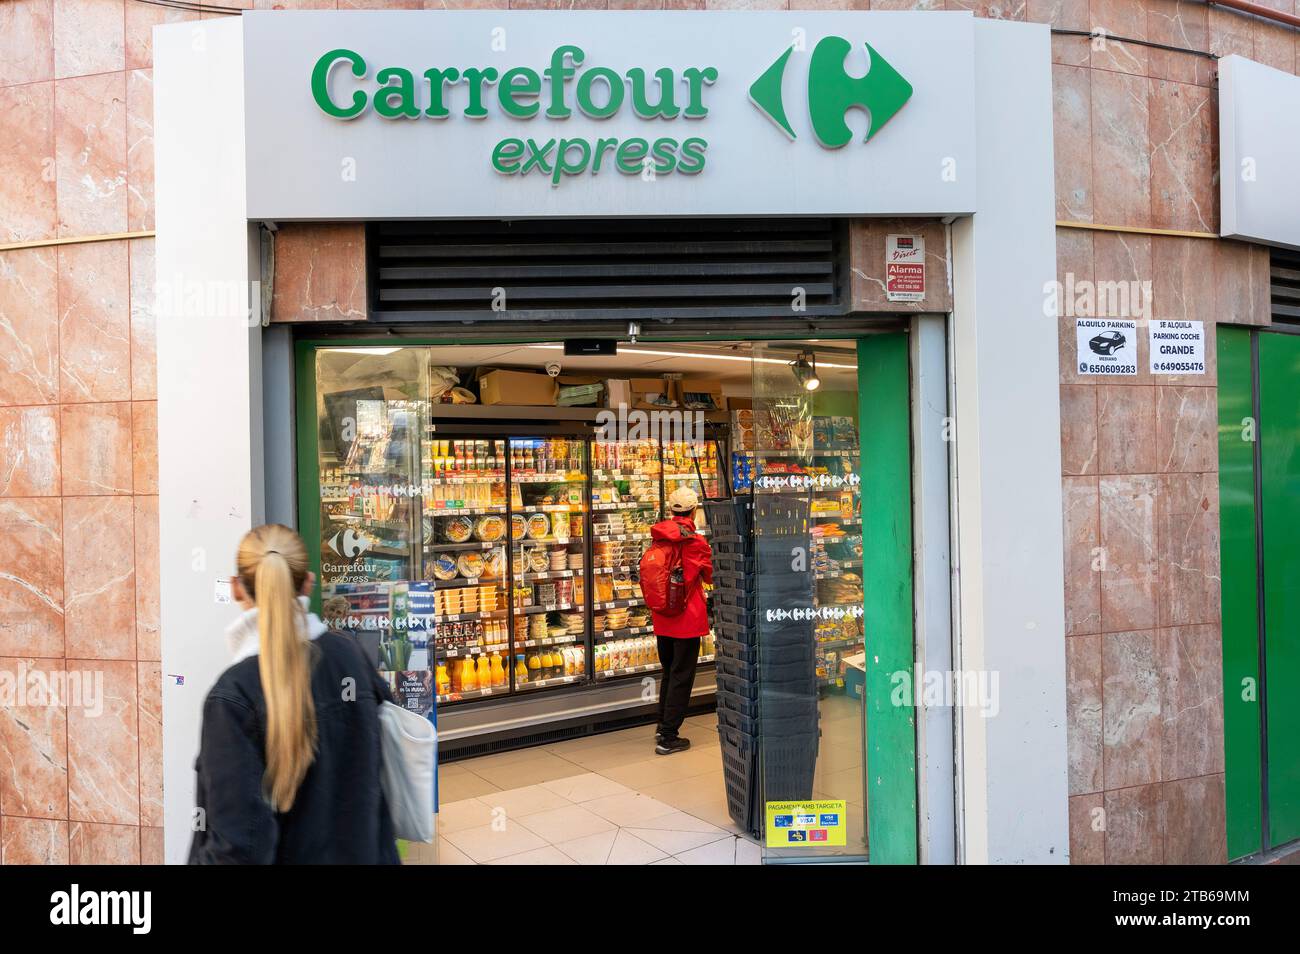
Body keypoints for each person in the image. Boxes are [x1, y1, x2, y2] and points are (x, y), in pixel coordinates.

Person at [189, 524, 399, 864]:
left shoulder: (233, 695)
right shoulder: (350, 657)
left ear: (236, 589)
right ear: (307, 583)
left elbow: (238, 848)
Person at [647, 486, 714, 755]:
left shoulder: (659, 538)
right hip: (687, 618)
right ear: (694, 511)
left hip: (662, 617)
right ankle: (668, 736)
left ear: (670, 511)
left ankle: (663, 724)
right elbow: (710, 576)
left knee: (669, 671)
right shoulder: (696, 543)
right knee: (682, 676)